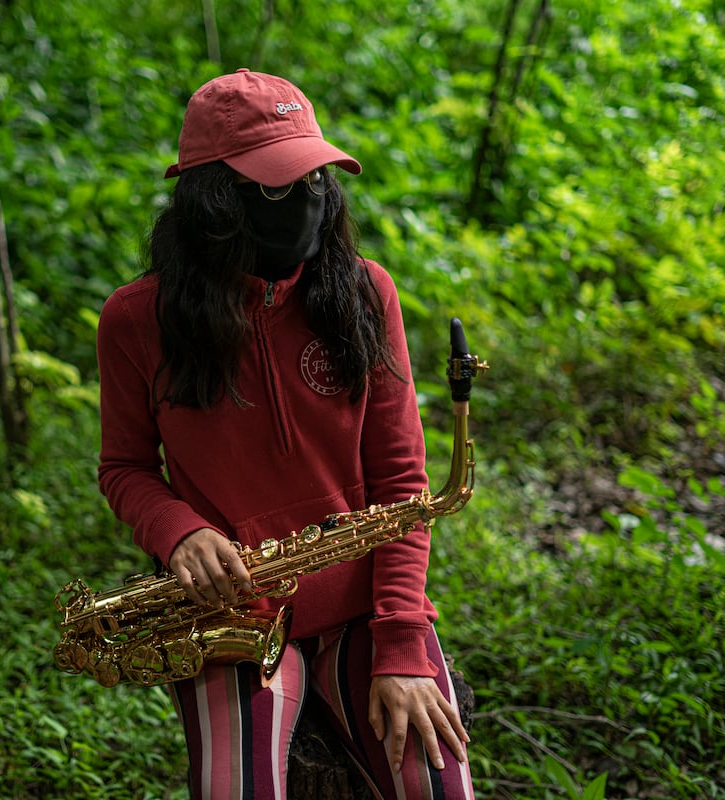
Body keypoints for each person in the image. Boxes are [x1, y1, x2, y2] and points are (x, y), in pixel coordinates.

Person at [96, 68, 475, 800]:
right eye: (274, 189)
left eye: (314, 181)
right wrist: (178, 532)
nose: (304, 205)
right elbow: (125, 467)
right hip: (231, 612)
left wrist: (400, 647)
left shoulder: (366, 292)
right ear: (211, 199)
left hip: (367, 605)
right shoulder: (137, 320)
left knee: (436, 784)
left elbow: (403, 489)